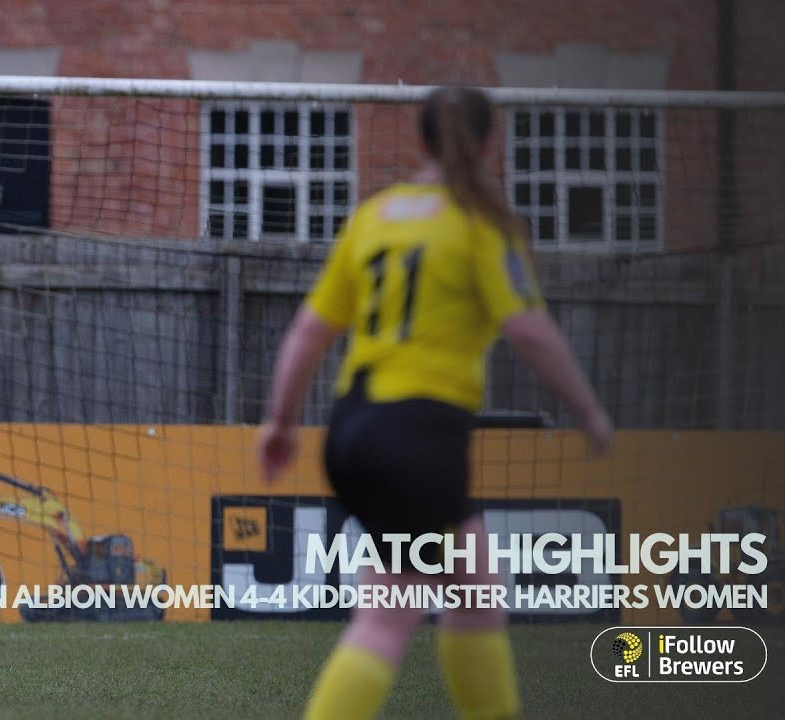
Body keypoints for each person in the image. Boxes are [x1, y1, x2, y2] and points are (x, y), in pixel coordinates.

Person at [256, 86, 613, 720]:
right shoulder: (483, 222)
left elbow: (309, 330)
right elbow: (528, 330)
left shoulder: (373, 216)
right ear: (488, 144)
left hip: (352, 431)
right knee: (389, 620)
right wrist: (589, 410)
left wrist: (280, 421)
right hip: (418, 437)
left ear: (418, 142)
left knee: (473, 594)